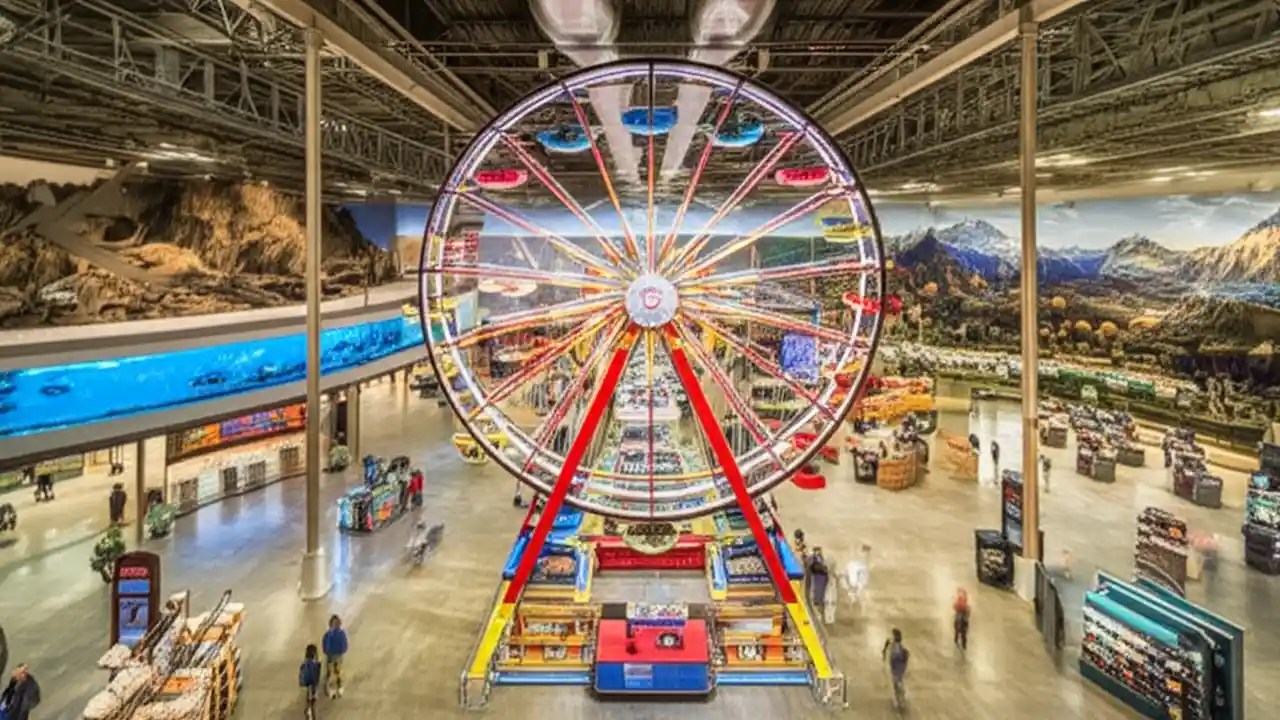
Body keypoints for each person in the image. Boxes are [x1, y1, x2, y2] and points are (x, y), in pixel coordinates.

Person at [321, 615, 348, 698]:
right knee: (334, 672)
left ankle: (336, 687)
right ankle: (334, 687)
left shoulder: (330, 634)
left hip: (334, 655)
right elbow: (344, 644)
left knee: (335, 672)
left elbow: (344, 644)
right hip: (334, 655)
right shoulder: (335, 634)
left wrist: (328, 651)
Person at [881, 629, 910, 709]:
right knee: (897, 682)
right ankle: (900, 699)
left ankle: (901, 700)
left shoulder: (896, 648)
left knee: (897, 683)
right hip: (898, 667)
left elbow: (898, 656)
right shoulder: (896, 645)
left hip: (898, 667)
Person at [807, 547, 830, 619]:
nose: (818, 552)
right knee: (817, 596)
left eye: (819, 551)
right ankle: (817, 613)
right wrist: (823, 569)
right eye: (816, 551)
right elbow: (813, 567)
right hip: (817, 578)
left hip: (821, 579)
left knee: (821, 596)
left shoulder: (820, 558)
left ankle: (820, 613)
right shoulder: (813, 559)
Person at [299, 644, 321, 717]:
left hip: (306, 682)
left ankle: (308, 707)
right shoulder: (317, 664)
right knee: (314, 698)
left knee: (308, 695)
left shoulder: (304, 664)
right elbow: (317, 675)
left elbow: (301, 674)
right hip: (314, 682)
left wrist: (302, 682)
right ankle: (311, 709)